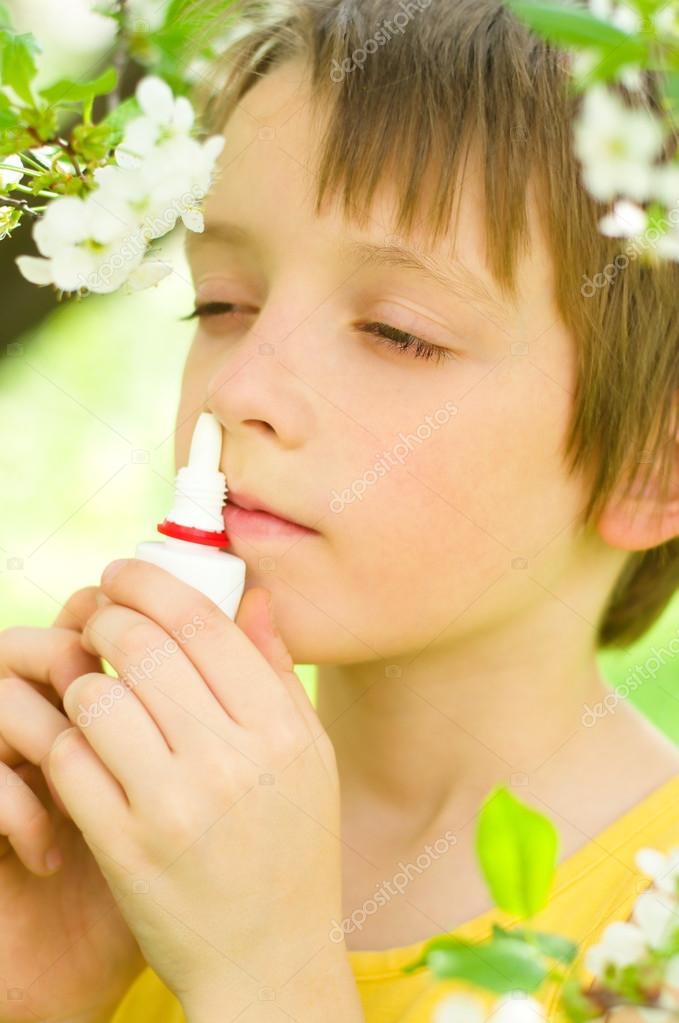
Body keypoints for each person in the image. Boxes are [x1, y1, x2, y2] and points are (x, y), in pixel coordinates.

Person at [1, 1, 679, 1021]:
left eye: (397, 332)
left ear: (651, 465)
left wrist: (266, 975)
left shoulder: (651, 950)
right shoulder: (105, 846)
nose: (239, 389)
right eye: (222, 304)